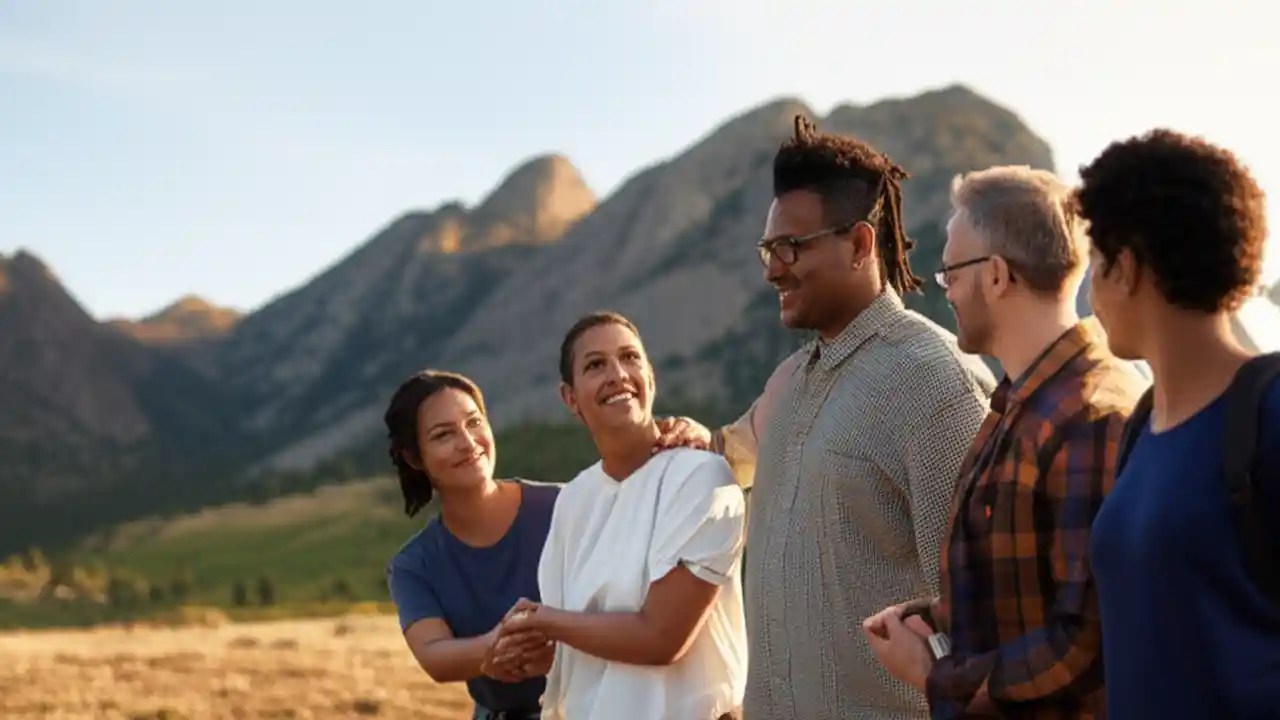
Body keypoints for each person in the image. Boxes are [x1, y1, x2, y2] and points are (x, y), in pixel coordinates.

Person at [662, 116, 995, 718]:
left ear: (861, 244)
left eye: (791, 247)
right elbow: (729, 454)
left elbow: (982, 614)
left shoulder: (935, 380)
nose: (772, 269)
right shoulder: (790, 384)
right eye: (768, 249)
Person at [862, 166, 1146, 718]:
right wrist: (939, 618)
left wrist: (933, 675)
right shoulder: (1022, 402)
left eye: (950, 274)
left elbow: (1086, 646)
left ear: (996, 276)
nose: (947, 292)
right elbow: (1035, 588)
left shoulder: (1089, 414)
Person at [1076, 129, 1280, 717]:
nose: (1090, 287)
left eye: (1095, 261)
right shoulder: (1141, 429)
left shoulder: (1269, 414)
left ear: (1128, 267)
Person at [499, 311, 747, 720]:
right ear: (570, 397)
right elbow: (585, 642)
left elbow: (661, 639)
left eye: (629, 358)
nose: (617, 374)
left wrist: (546, 622)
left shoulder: (701, 476)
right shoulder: (574, 499)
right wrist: (528, 649)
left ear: (650, 377)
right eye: (596, 365)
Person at [383, 370, 559, 720]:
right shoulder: (413, 565)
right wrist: (493, 647)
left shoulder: (564, 506)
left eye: (474, 422)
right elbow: (434, 655)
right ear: (415, 457)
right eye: (444, 434)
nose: (468, 442)